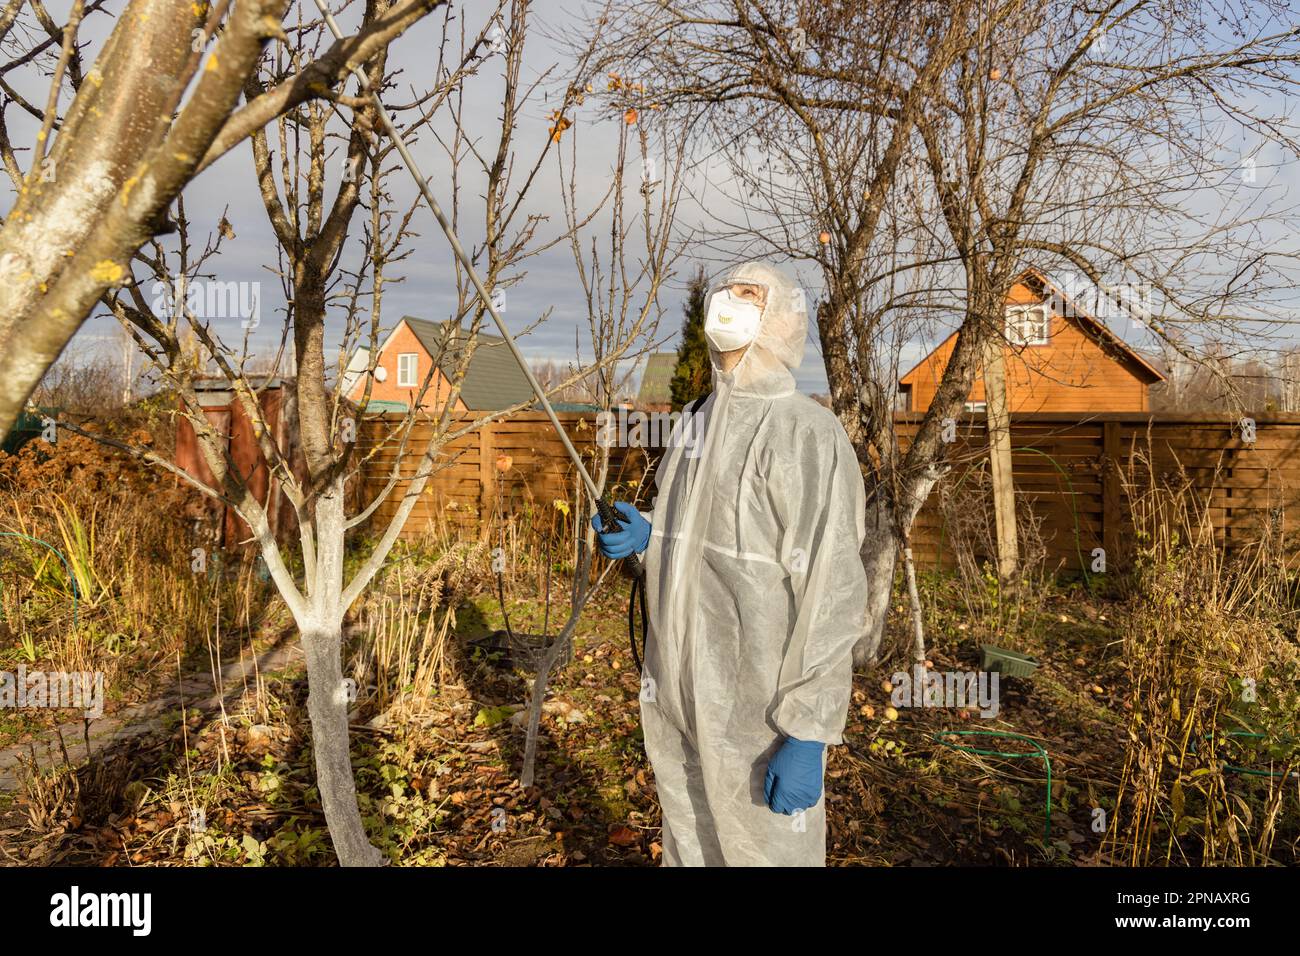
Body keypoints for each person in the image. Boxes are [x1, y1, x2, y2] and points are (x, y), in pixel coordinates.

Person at [592, 260, 868, 866]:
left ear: (781, 321)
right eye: (724, 291)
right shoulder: (696, 422)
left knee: (765, 853)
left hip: (762, 712)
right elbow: (702, 551)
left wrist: (809, 727)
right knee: (689, 842)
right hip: (681, 693)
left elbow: (834, 591)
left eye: (748, 295)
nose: (726, 303)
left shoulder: (807, 434)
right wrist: (648, 541)